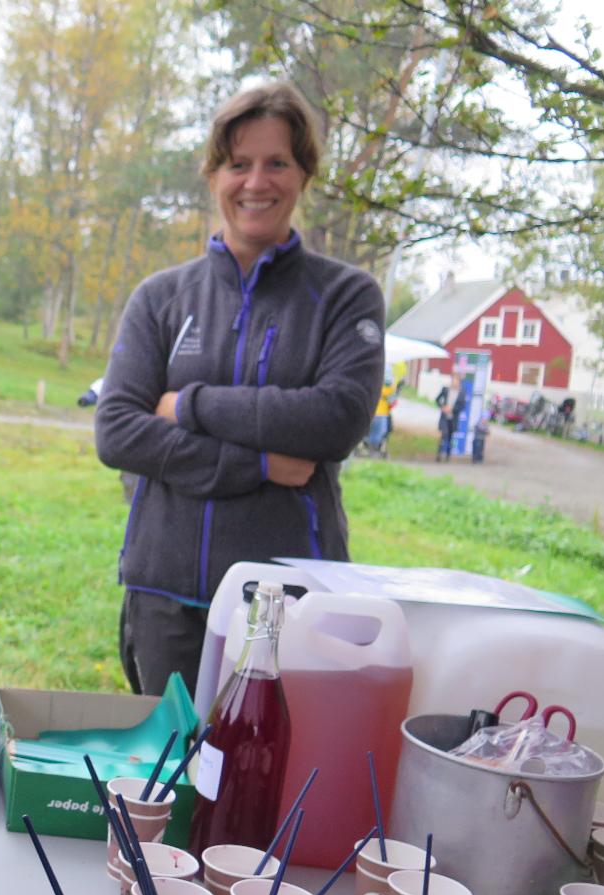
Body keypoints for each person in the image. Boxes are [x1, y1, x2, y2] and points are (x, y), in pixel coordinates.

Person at [94, 81, 384, 696]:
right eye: (238, 164)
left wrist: (188, 404)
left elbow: (337, 419)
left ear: (304, 174)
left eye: (277, 163)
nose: (257, 182)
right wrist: (259, 463)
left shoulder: (346, 296)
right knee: (173, 754)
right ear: (213, 176)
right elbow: (117, 431)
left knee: (279, 755)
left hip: (293, 602)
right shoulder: (161, 298)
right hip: (165, 595)